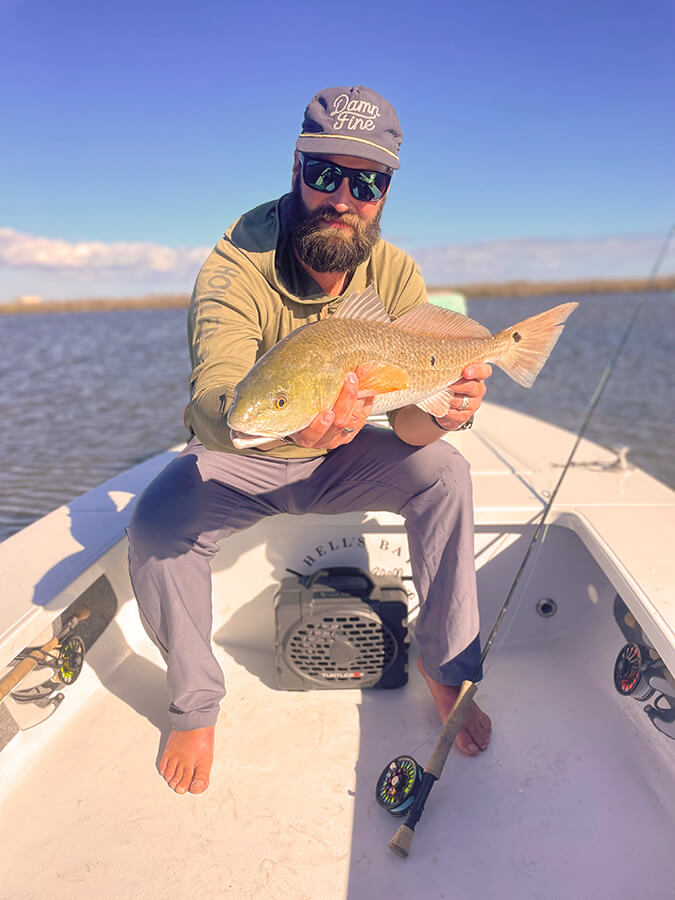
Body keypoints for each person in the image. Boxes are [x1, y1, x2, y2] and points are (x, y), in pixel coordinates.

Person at [127, 86, 492, 796]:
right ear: (294, 167)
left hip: (344, 455)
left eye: (367, 181)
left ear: (386, 191)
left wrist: (448, 409)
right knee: (159, 522)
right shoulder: (236, 262)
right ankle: (195, 704)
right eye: (324, 174)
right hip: (246, 457)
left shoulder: (394, 274)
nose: (343, 197)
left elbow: (408, 425)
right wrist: (280, 426)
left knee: (445, 473)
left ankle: (444, 666)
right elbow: (215, 395)